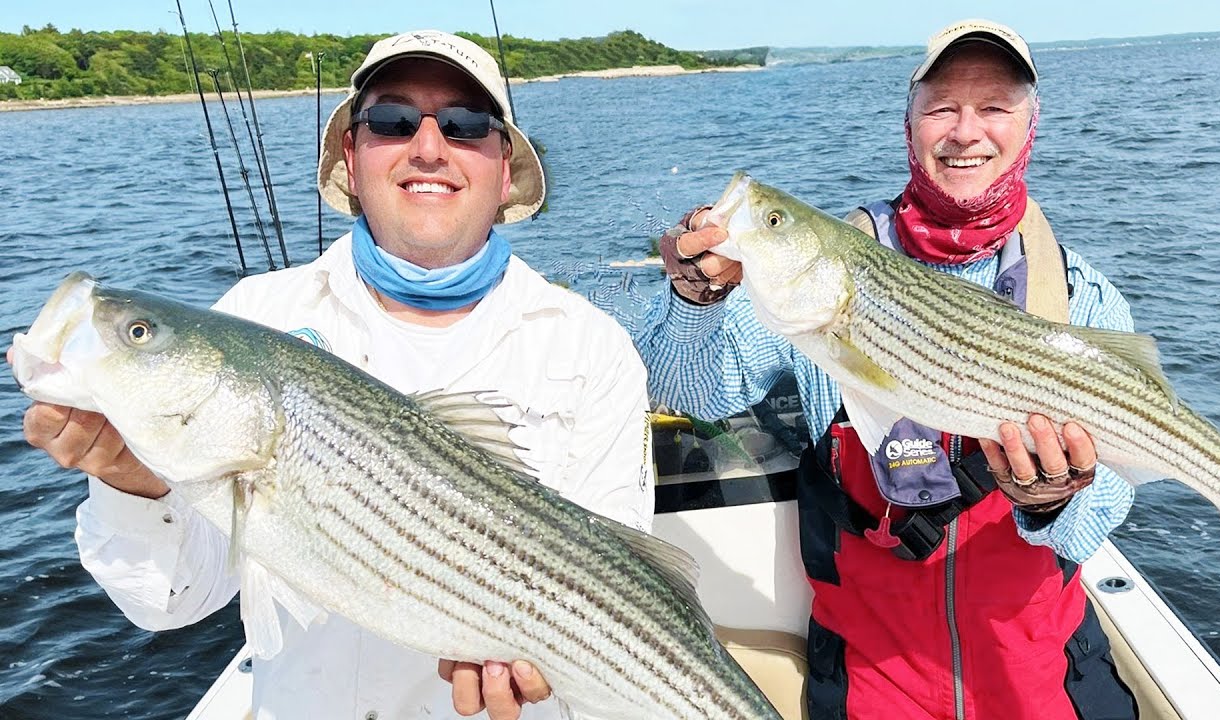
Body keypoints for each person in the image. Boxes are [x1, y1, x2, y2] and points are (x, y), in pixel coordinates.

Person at [14, 30, 653, 720]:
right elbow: (169, 602)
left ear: (504, 170)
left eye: (467, 124)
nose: (429, 148)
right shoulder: (261, 312)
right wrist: (132, 482)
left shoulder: (591, 345)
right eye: (391, 120)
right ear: (350, 156)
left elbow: (622, 582)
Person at [635, 19, 1140, 720]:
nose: (966, 131)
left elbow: (1103, 511)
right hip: (873, 680)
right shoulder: (833, 270)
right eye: (942, 107)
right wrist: (698, 298)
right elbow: (693, 391)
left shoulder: (1081, 293)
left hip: (1039, 675)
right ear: (909, 123)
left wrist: (1054, 503)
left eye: (994, 107)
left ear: (1030, 126)